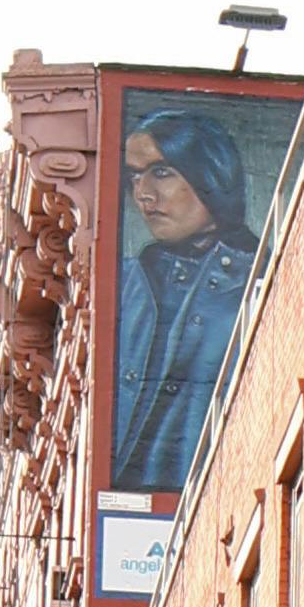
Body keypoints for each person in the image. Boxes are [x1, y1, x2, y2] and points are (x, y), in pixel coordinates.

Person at [109, 100, 262, 491]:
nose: (143, 195)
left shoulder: (264, 281)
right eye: (134, 178)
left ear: (210, 176)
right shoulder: (125, 281)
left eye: (160, 173)